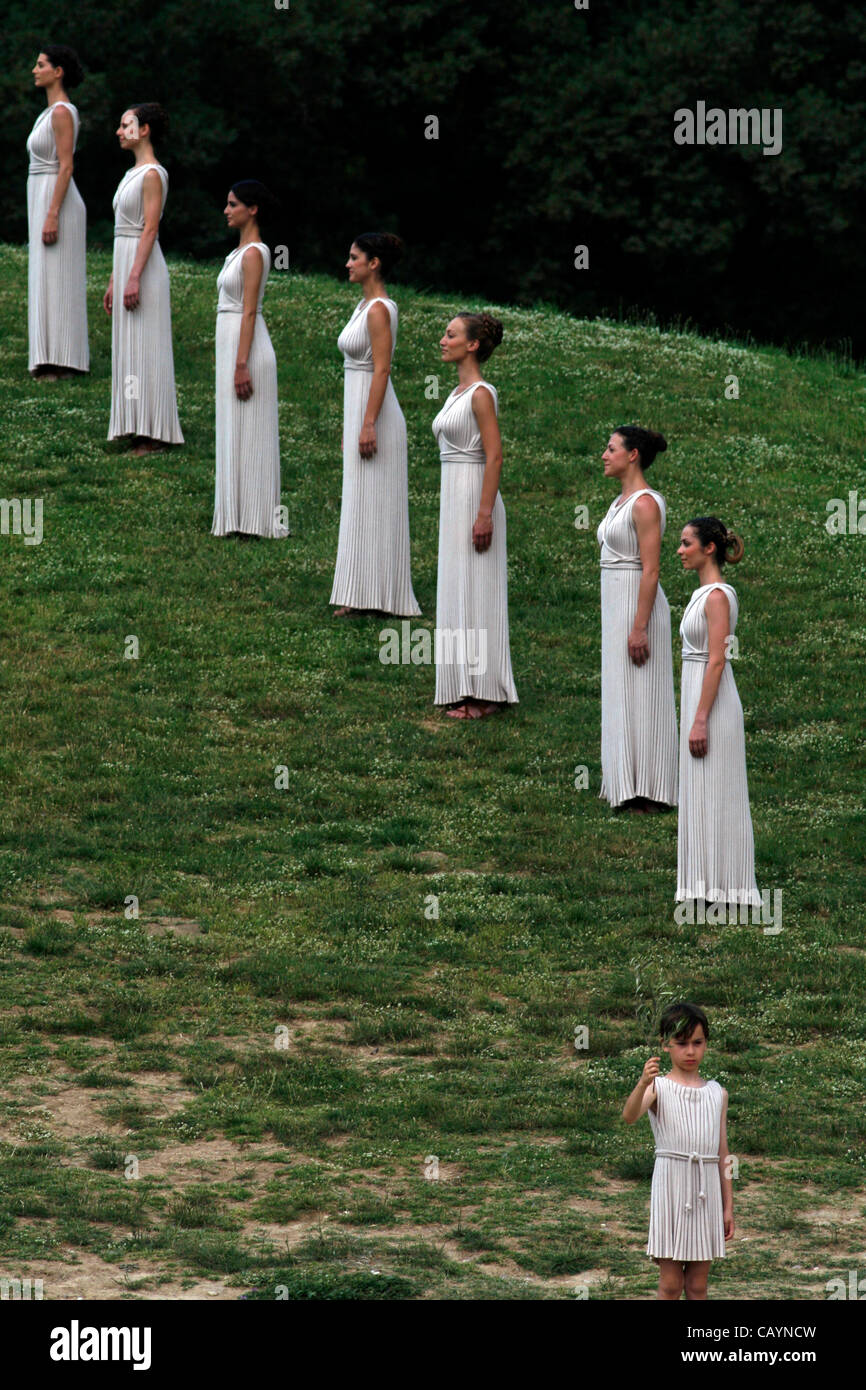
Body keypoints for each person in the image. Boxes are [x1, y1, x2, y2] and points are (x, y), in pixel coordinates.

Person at [330, 232, 420, 617]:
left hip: (377, 415)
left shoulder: (380, 309)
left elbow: (382, 368)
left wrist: (368, 424)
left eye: (354, 258)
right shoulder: (363, 306)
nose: (348, 264)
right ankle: (360, 591)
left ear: (374, 263)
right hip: (361, 409)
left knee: (376, 502)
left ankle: (382, 595)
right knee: (359, 501)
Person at [432, 312, 517, 717]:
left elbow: (495, 455)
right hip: (454, 496)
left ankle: (485, 693)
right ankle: (462, 684)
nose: (442, 340)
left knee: (477, 591)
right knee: (456, 588)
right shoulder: (455, 393)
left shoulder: (482, 393)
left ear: (472, 345)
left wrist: (484, 514)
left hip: (474, 498)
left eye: (451, 335)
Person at [622, 1001, 733, 1300]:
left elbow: (725, 1153)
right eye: (681, 1044)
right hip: (671, 1187)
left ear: (706, 1043)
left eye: (697, 1043)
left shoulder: (717, 1093)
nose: (690, 1052)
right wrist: (643, 1082)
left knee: (697, 1286)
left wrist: (728, 1205)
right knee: (670, 1285)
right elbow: (630, 1116)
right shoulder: (658, 1087)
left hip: (706, 1190)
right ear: (666, 1045)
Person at [676, 517, 761, 906]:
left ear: (709, 548)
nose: (680, 550)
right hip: (700, 698)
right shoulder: (703, 594)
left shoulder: (717, 598)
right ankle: (705, 885)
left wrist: (699, 719)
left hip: (713, 705)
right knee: (700, 790)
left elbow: (717, 661)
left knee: (720, 791)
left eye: (686, 543)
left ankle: (729, 885)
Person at [597, 427, 677, 809]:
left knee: (644, 692)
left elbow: (651, 569)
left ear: (632, 455)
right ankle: (625, 783)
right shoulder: (619, 502)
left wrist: (640, 627)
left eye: (611, 449)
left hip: (638, 606)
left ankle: (652, 788)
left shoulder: (645, 504)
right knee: (622, 691)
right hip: (616, 603)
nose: (604, 455)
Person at [104, 103, 183, 454]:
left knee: (148, 346)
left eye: (126, 125)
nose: (119, 132)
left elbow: (150, 228)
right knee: (129, 347)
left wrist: (134, 277)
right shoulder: (131, 173)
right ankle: (136, 424)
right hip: (126, 262)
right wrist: (114, 279)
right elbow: (123, 231)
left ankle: (156, 431)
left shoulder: (153, 174)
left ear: (144, 129)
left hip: (145, 268)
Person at [212, 181, 287, 539]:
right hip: (231, 343)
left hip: (248, 349)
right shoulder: (238, 253)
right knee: (233, 426)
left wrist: (242, 364)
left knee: (252, 429)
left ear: (252, 209)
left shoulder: (255, 253)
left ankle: (256, 518)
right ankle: (236, 515)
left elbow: (250, 311)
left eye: (233, 204)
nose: (227, 211)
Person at [27, 44, 89, 378]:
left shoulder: (63, 111)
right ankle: (47, 357)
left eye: (40, 65)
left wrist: (53, 213)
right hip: (40, 194)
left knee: (60, 277)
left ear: (58, 71)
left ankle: (66, 359)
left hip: (57, 200)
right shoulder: (48, 113)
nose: (35, 70)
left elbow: (66, 166)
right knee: (44, 276)